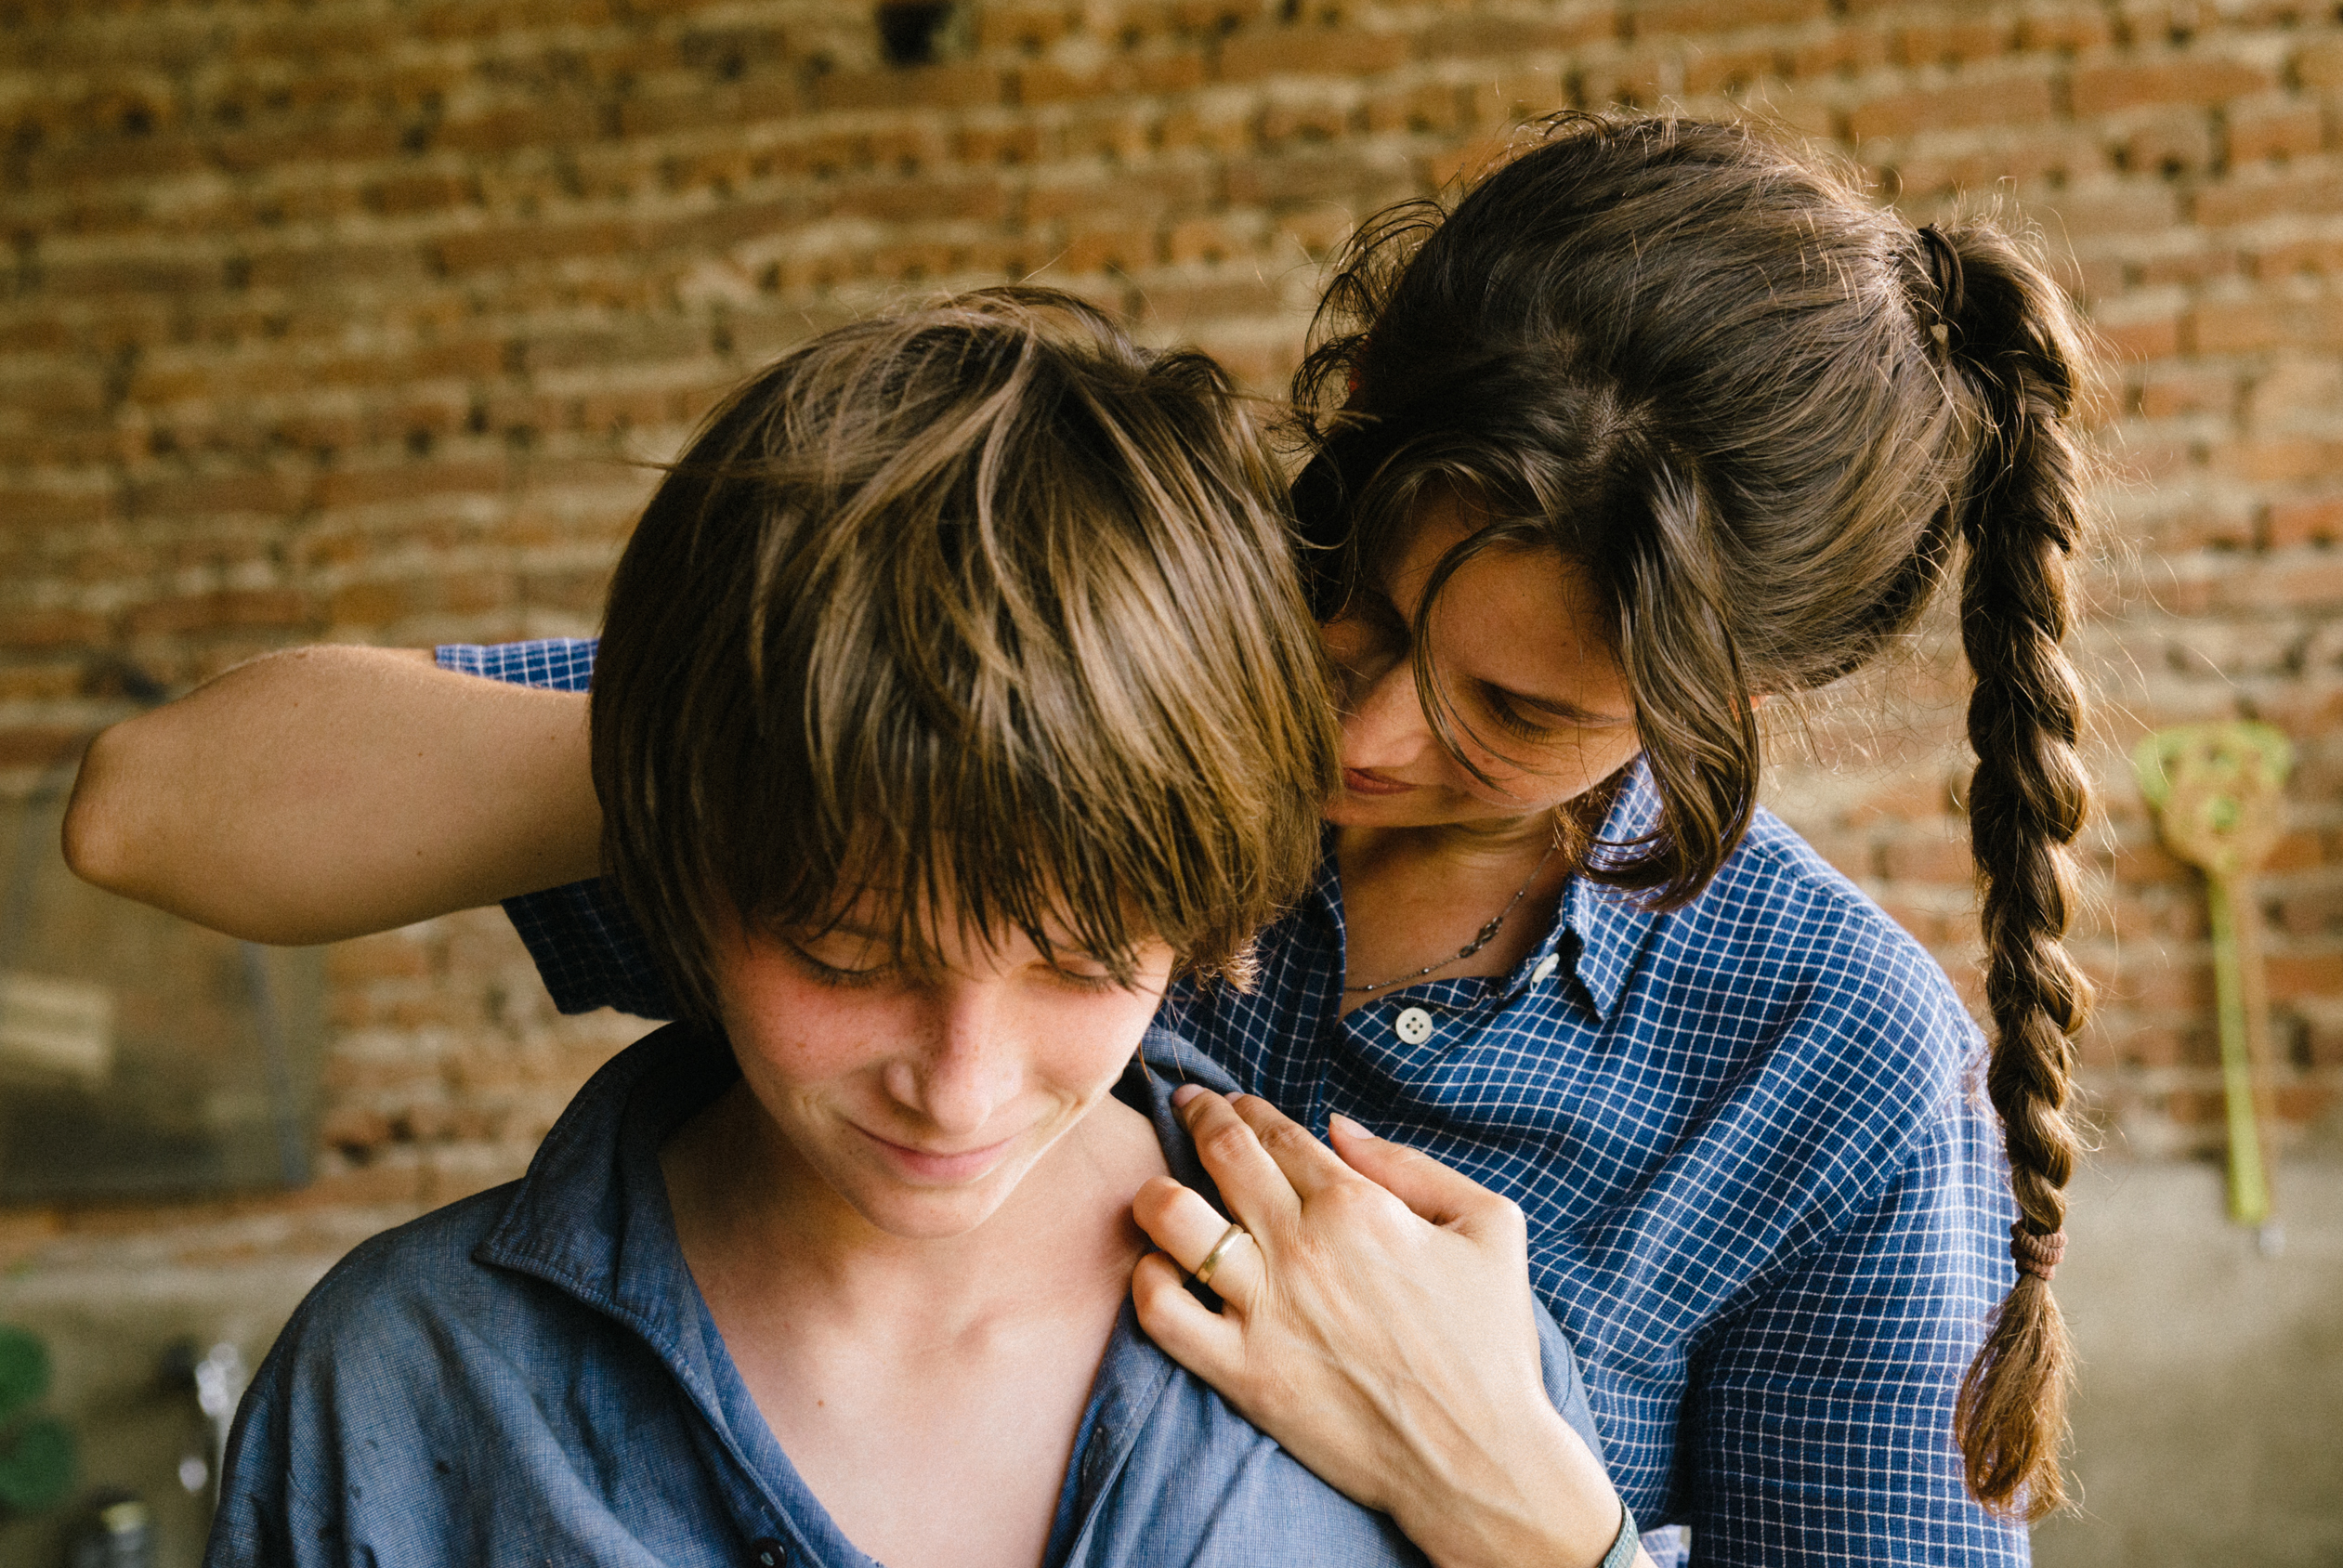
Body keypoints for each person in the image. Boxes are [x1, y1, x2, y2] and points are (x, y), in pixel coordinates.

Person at [75, 114, 2096, 1565]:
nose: (1372, 737)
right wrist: (873, 777)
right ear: (1354, 419)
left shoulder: (1834, 1075)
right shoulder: (1104, 656)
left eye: (1519, 714)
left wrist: (1528, 1520)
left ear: (1728, 703)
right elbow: (156, 814)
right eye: (1366, 606)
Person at [185, 291, 1633, 1568]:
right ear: (680, 871)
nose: (961, 1084)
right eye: (849, 957)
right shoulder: (400, 1386)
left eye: (1079, 962)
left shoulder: (1446, 1377)